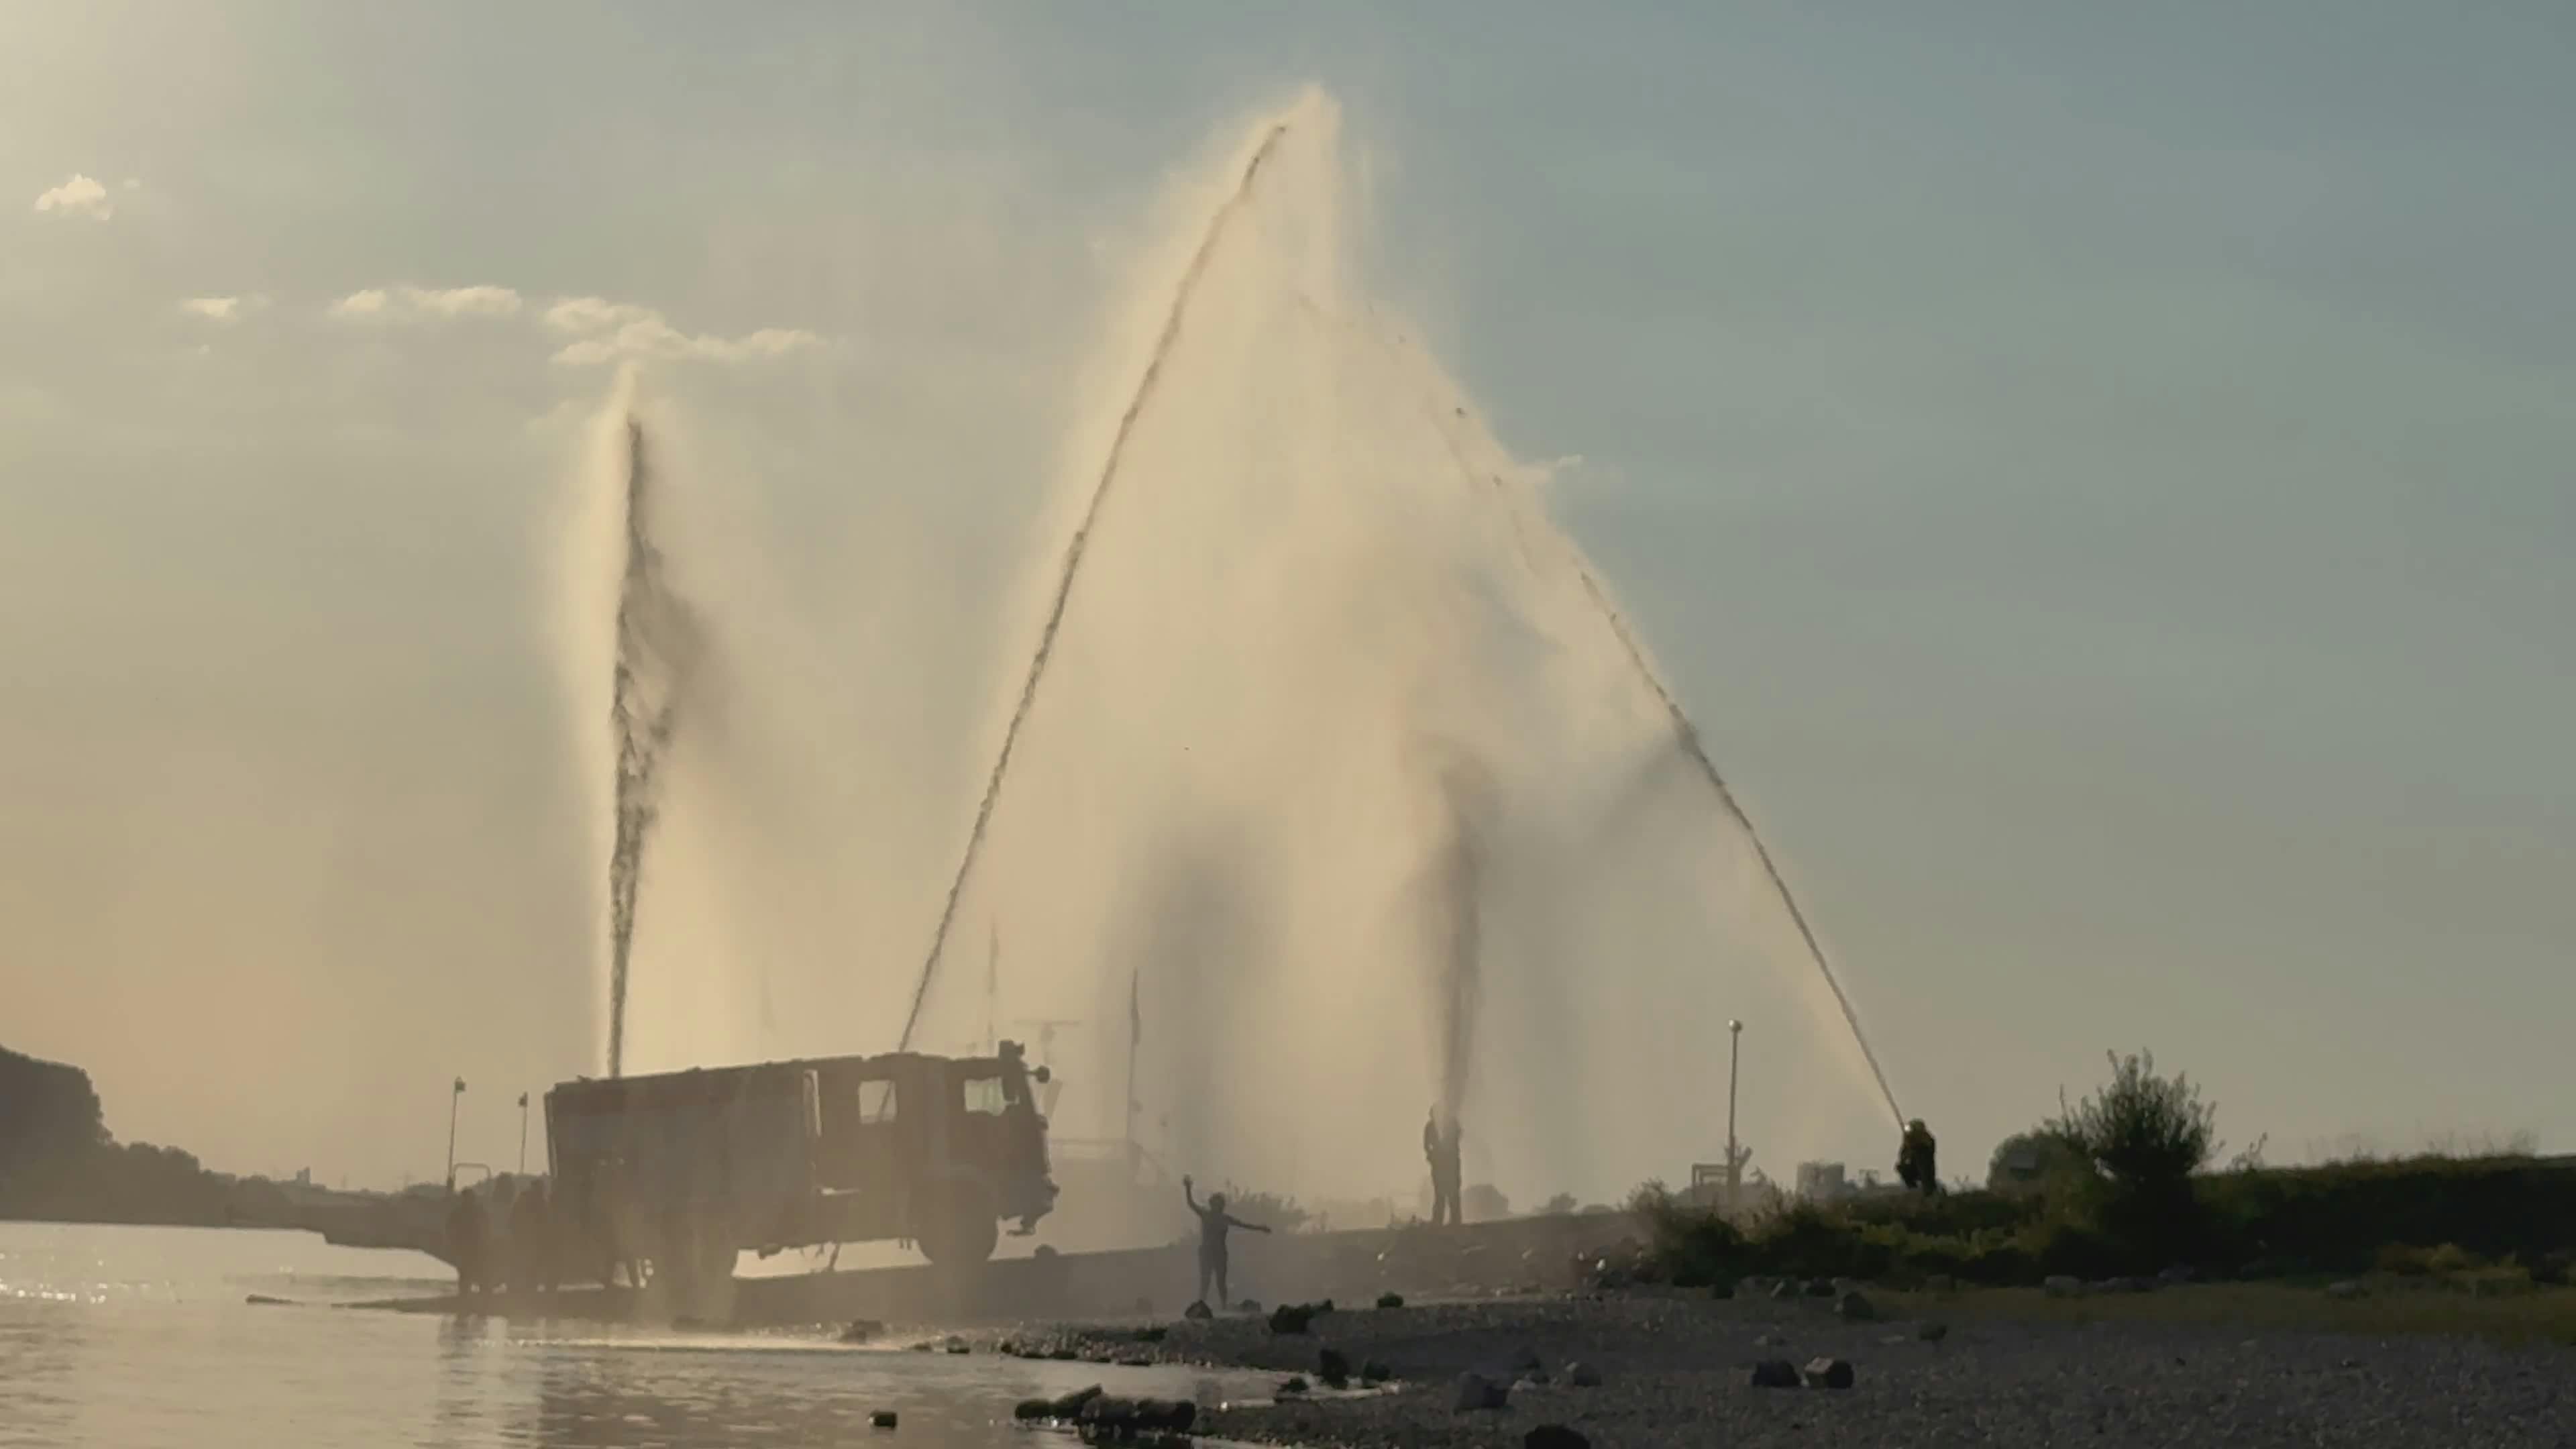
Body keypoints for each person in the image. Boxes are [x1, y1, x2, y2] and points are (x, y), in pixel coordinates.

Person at [1182, 1175, 1270, 1308]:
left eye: (1220, 1204)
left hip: (1219, 1253)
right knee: (1205, 1280)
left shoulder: (1224, 1218)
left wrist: (1260, 1228)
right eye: (1216, 1203)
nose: (1218, 1206)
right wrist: (1188, 1188)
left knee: (1220, 1281)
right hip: (1207, 1252)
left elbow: (1244, 1225)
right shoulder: (1206, 1215)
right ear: (1212, 1204)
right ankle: (1202, 1305)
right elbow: (1191, 1204)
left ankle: (1223, 1305)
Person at [510, 1179, 553, 1294]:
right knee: (533, 1268)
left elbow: (513, 1220)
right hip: (533, 1240)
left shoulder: (522, 1200)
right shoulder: (540, 1201)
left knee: (527, 1268)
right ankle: (530, 1291)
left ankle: (526, 1291)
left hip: (524, 1240)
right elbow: (546, 1222)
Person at [445, 1185, 488, 1300]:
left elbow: (450, 1229)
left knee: (470, 1273)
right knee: (470, 1274)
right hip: (471, 1247)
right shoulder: (476, 1211)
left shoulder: (462, 1212)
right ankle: (474, 1298)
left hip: (471, 1247)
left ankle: (469, 1298)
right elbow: (450, 1229)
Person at [1424, 1107, 1463, 1226]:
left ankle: (1446, 1221)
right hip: (1446, 1164)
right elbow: (1427, 1146)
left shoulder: (1434, 1126)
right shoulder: (1434, 1126)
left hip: (1445, 1165)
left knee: (1446, 1193)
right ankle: (1448, 1220)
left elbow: (1426, 1146)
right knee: (1444, 1193)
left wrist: (1432, 1156)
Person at [1897, 1118, 1939, 1196]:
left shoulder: (1928, 1140)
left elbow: (1926, 1151)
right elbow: (1903, 1156)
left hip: (1926, 1169)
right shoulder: (1908, 1141)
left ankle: (1929, 1193)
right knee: (1902, 1168)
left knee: (1926, 1176)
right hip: (1914, 1169)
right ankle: (1913, 1189)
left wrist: (1914, 1146)